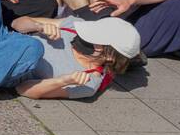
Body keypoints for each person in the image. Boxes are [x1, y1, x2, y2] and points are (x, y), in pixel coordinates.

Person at [9, 16, 139, 100]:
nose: (84, 37)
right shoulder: (75, 26)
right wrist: (38, 26)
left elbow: (23, 89)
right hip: (1, 39)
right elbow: (17, 23)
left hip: (3, 66)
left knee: (34, 47)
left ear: (109, 56)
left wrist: (62, 81)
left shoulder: (88, 82)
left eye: (95, 38)